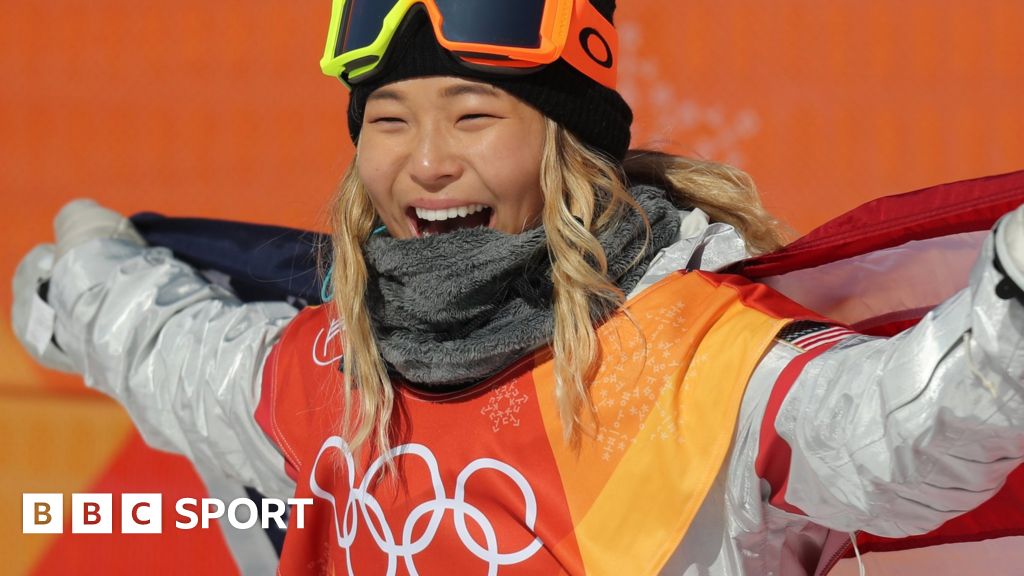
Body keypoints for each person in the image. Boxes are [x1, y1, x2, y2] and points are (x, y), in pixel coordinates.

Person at [11, 1, 1024, 574]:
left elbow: (896, 434)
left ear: (565, 148)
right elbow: (174, 357)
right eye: (390, 120)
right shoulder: (328, 366)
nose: (427, 161)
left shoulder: (698, 363)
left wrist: (1008, 321)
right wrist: (84, 288)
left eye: (473, 116)